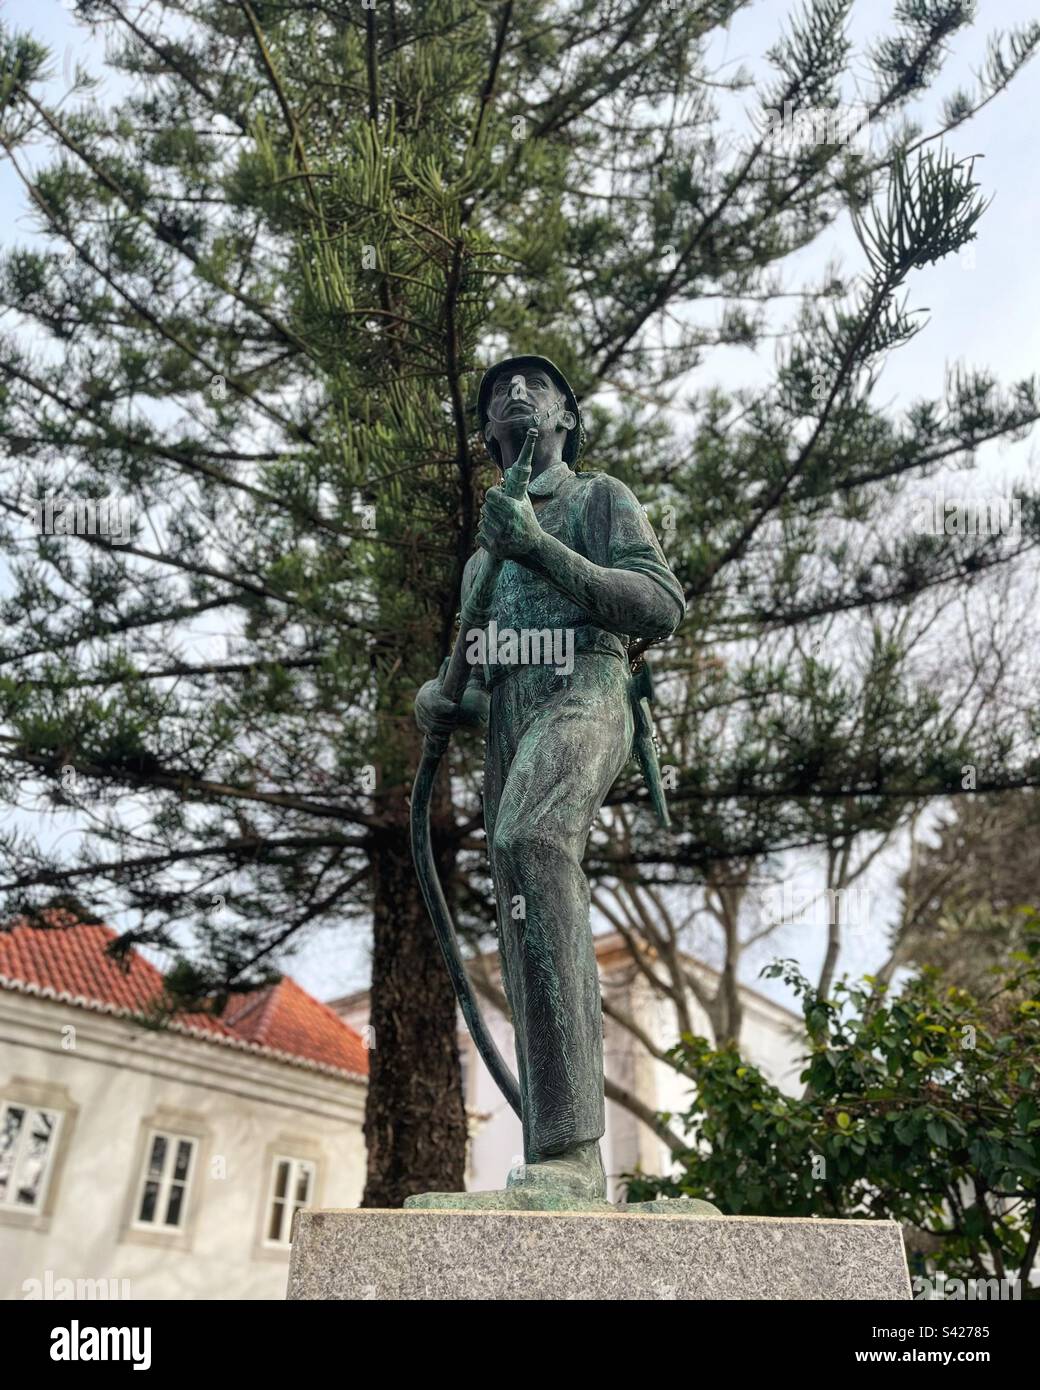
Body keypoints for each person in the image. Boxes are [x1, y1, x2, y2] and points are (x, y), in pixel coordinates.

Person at [413, 355, 684, 1204]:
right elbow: (488, 669)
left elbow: (656, 607)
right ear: (490, 433)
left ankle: (568, 1150)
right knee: (521, 901)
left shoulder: (599, 499)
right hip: (513, 721)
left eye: (535, 388)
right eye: (499, 397)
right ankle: (558, 1157)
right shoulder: (478, 562)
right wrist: (444, 702)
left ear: (567, 414)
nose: (516, 396)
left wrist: (539, 546)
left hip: (590, 686)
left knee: (532, 837)